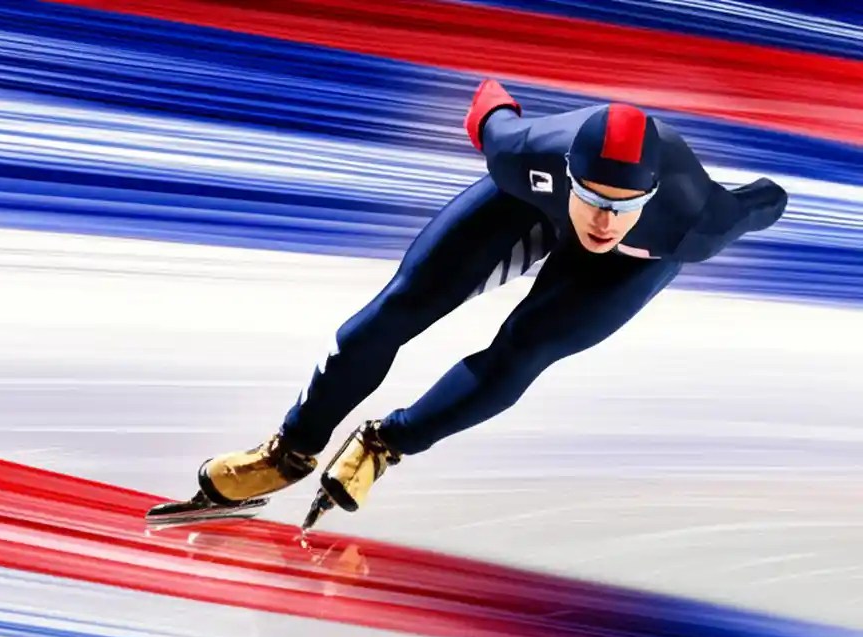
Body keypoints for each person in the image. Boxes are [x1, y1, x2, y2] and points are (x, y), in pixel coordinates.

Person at [147, 79, 788, 531]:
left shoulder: (695, 219)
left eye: (623, 206)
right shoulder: (524, 152)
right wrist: (492, 99)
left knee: (520, 356)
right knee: (396, 309)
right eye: (594, 197)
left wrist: (767, 195)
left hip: (636, 261)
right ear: (567, 171)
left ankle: (384, 445)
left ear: (650, 197)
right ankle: (289, 450)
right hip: (530, 205)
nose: (603, 220)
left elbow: (761, 202)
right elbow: (490, 109)